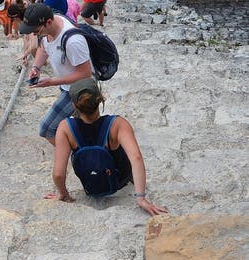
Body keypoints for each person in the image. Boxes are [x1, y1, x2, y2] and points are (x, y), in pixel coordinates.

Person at [49, 78, 168, 216]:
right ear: (100, 99)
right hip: (119, 185)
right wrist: (141, 199)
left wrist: (64, 195)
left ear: (75, 105)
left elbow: (58, 174)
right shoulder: (117, 124)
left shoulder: (65, 127)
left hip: (92, 189)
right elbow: (136, 158)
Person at [20, 3, 93, 145]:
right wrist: (36, 67)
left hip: (80, 90)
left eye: (36, 31)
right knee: (81, 123)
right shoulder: (49, 28)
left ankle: (77, 155)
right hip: (66, 86)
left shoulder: (73, 41)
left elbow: (85, 73)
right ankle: (85, 146)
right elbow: (44, 47)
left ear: (48, 22)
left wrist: (53, 81)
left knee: (46, 128)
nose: (34, 34)